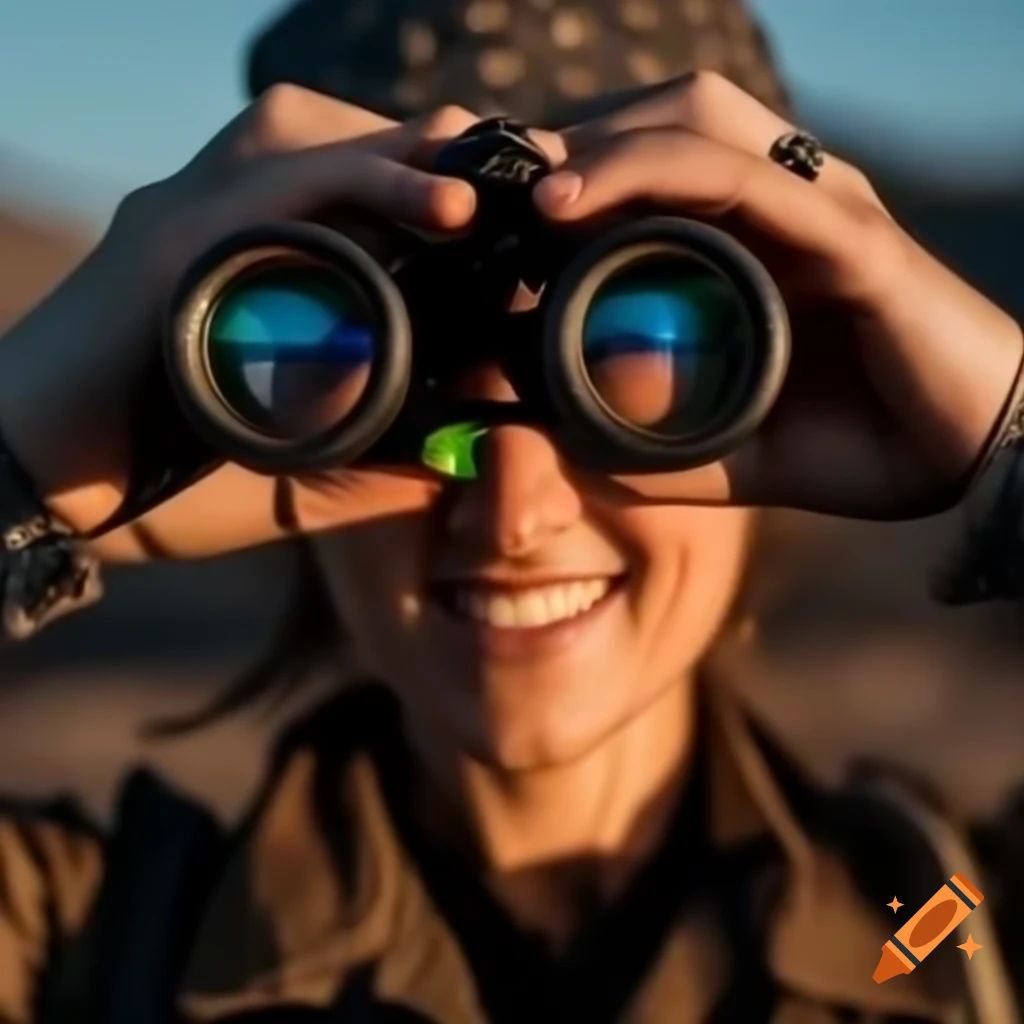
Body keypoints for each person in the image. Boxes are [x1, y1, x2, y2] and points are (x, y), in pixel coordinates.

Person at [0, 0, 1023, 1021]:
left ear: (774, 380)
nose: (510, 514)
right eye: (369, 379)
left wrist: (1008, 442)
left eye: (643, 353)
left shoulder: (954, 921)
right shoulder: (77, 941)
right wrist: (22, 476)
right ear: (241, 419)